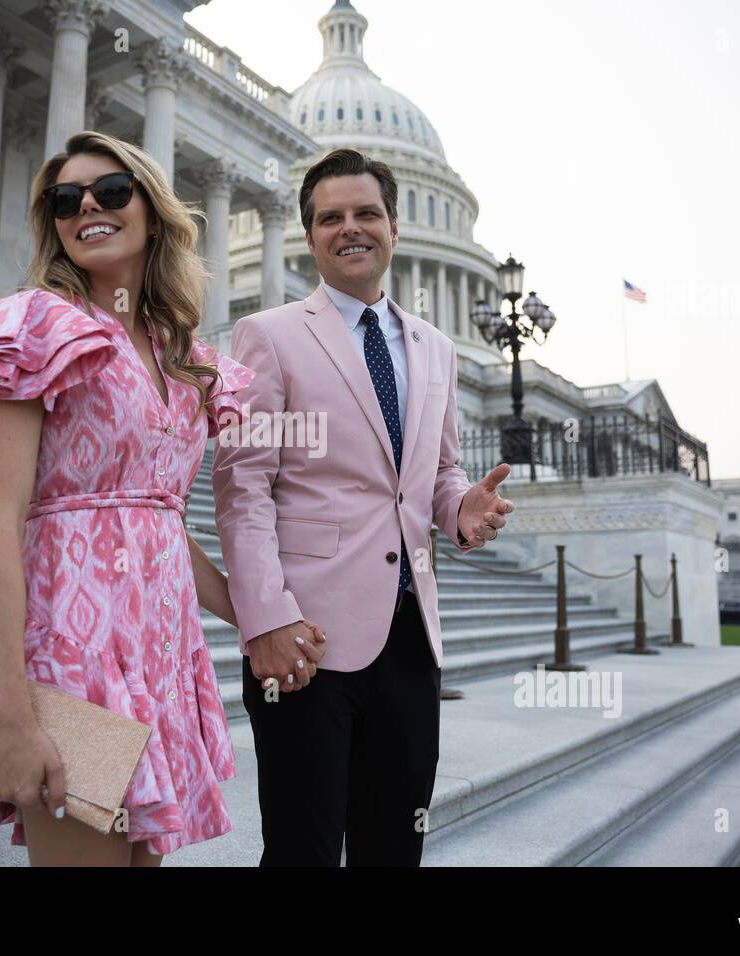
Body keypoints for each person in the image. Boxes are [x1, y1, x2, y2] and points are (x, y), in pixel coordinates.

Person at [0, 130, 327, 867]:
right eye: (65, 200)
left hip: (163, 651)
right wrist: (8, 709)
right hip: (72, 651)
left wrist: (260, 615)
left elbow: (159, 518)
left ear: (151, 210)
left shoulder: (181, 353)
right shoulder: (34, 326)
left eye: (110, 191)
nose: (87, 209)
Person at [211, 148, 516, 866]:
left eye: (366, 213)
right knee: (301, 850)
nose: (351, 229)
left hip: (411, 644)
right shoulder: (272, 336)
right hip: (306, 640)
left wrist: (459, 507)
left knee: (394, 851)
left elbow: (434, 476)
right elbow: (242, 491)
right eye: (331, 218)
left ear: (394, 227)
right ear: (310, 236)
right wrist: (265, 622)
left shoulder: (435, 349)